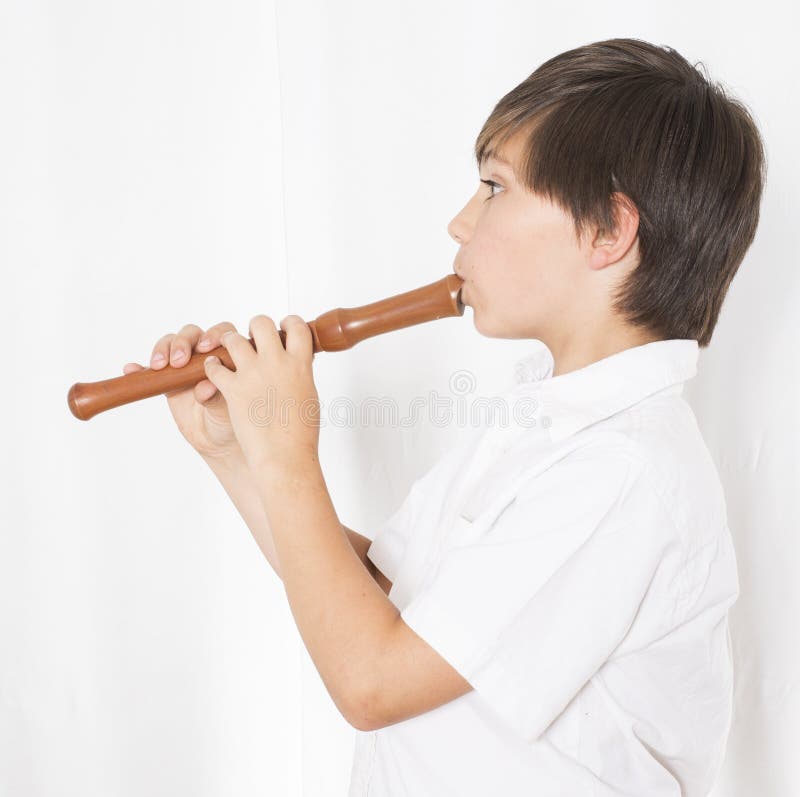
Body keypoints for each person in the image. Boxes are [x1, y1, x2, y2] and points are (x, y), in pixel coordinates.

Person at [123, 37, 766, 797]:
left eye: (495, 187)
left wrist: (287, 455)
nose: (461, 223)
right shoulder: (543, 424)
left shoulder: (623, 470)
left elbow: (371, 678)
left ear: (607, 231)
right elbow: (378, 600)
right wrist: (237, 452)